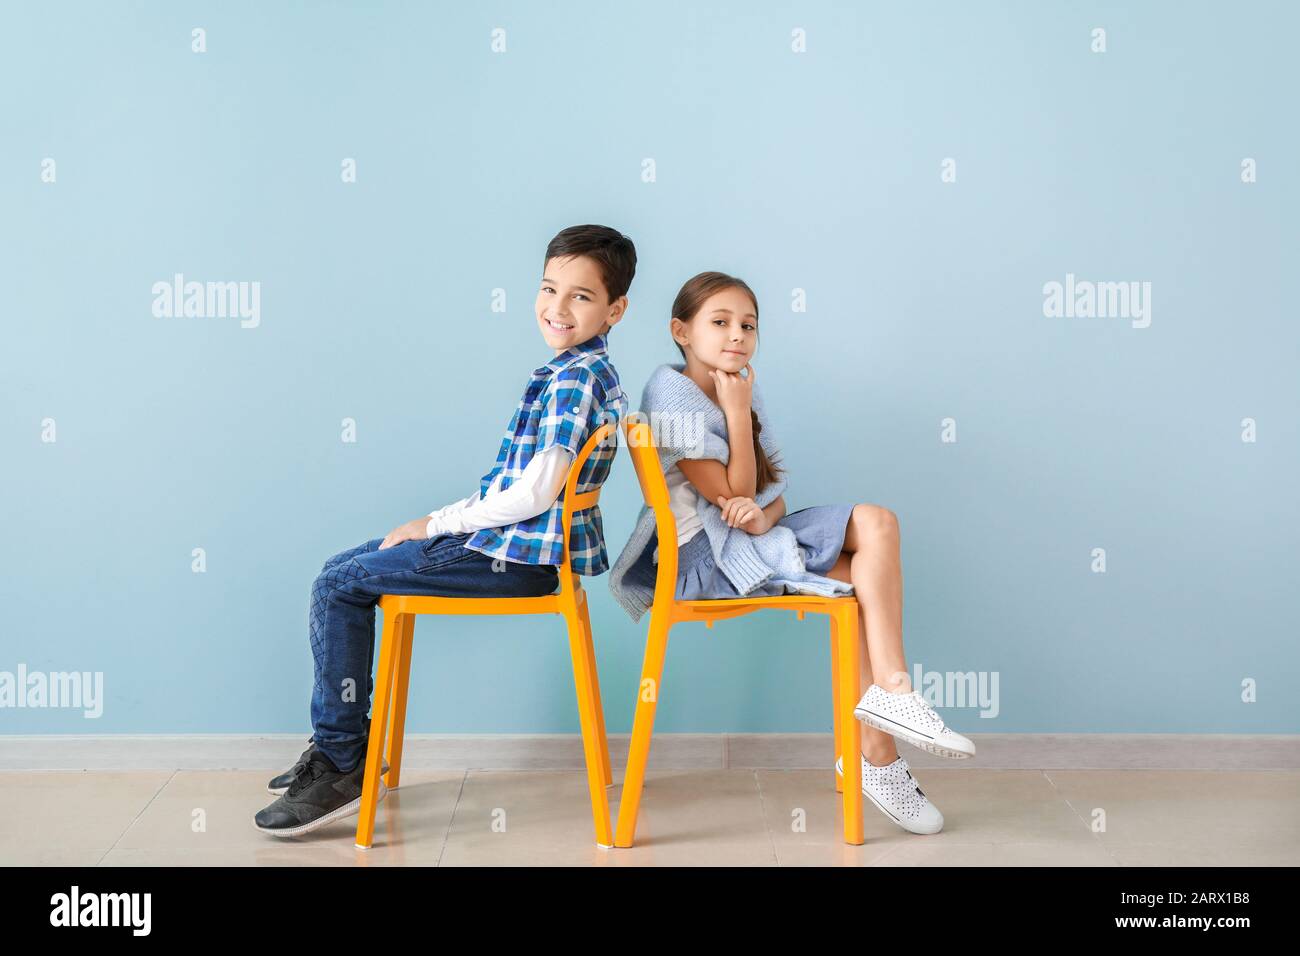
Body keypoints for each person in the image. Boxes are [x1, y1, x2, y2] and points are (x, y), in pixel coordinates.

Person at [255, 225, 635, 837]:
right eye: (549, 288)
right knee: (347, 563)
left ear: (615, 308)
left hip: (515, 560)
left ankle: (342, 759)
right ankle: (340, 747)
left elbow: (535, 494)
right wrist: (434, 522)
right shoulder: (588, 369)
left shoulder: (573, 378)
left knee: (337, 585)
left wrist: (435, 523)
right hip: (516, 549)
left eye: (581, 297)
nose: (558, 308)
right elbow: (509, 488)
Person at [608, 270, 975, 836]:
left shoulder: (739, 384)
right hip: (705, 560)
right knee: (861, 568)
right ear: (681, 331)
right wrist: (736, 417)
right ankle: (880, 741)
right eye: (721, 322)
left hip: (744, 537)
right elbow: (728, 496)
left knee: (876, 531)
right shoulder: (671, 393)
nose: (738, 336)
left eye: (748, 325)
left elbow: (768, 498)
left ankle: (890, 705)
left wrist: (761, 511)